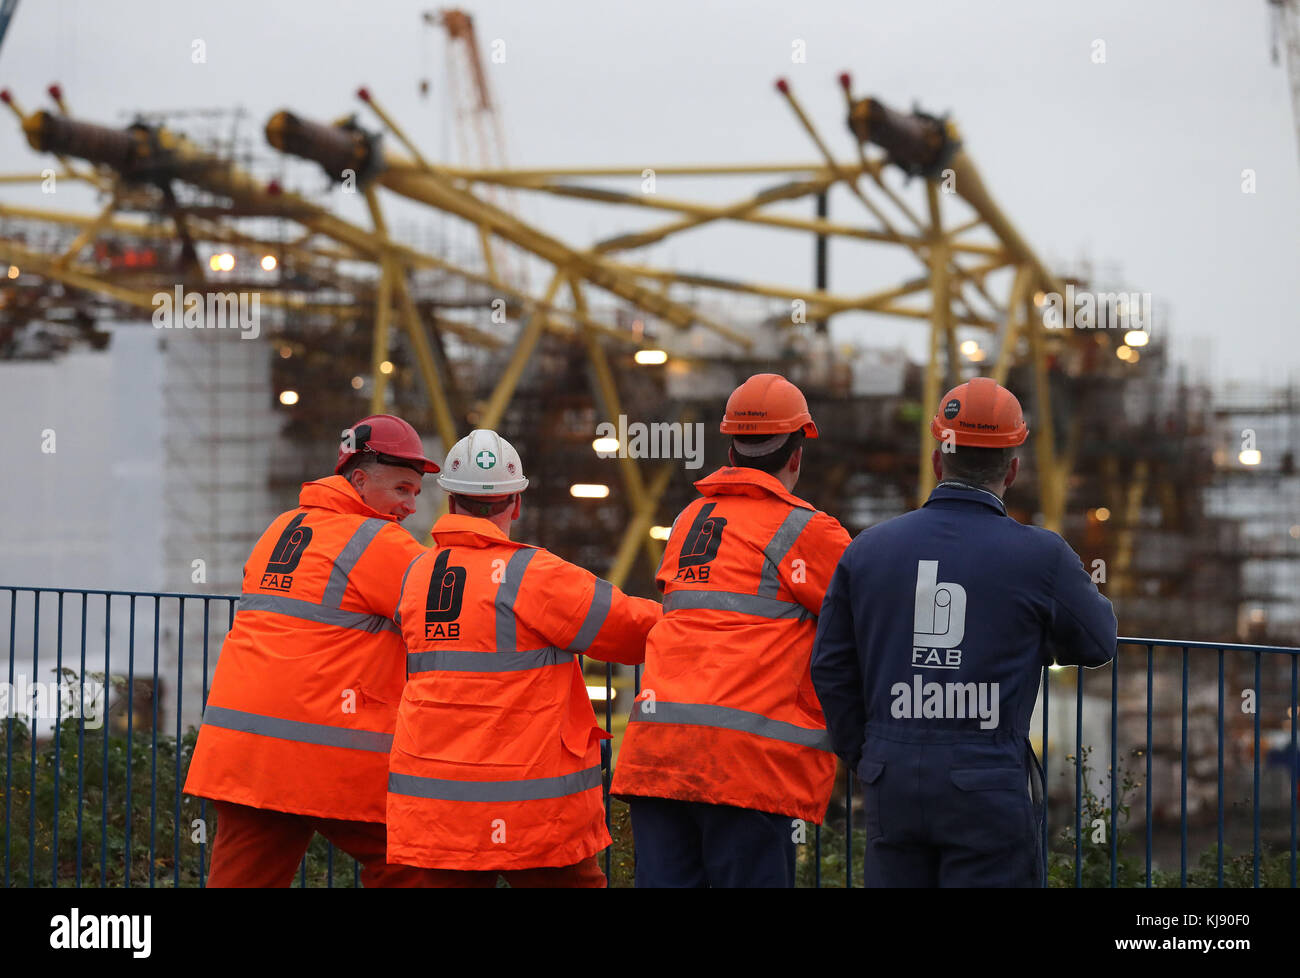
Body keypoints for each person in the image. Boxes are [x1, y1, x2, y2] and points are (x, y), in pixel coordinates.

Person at [810, 377, 1117, 887]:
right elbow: (1098, 641)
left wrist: (867, 754)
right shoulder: (1041, 556)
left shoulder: (867, 549)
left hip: (892, 777)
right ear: (1012, 469)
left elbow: (831, 665)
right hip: (986, 783)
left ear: (937, 461)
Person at [386, 428, 662, 887]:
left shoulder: (416, 574)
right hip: (533, 809)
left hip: (440, 805)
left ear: (451, 501)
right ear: (516, 503)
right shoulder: (535, 575)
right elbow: (633, 631)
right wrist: (703, 614)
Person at [611, 373, 851, 887]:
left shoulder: (688, 521)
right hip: (747, 769)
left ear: (730, 446)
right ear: (797, 451)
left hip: (658, 757)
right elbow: (868, 619)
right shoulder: (808, 531)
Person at [184, 414, 439, 887]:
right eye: (402, 490)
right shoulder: (379, 541)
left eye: (415, 494)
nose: (410, 507)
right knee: (420, 865)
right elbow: (457, 614)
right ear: (359, 480)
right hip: (325, 756)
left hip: (243, 752)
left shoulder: (283, 527)